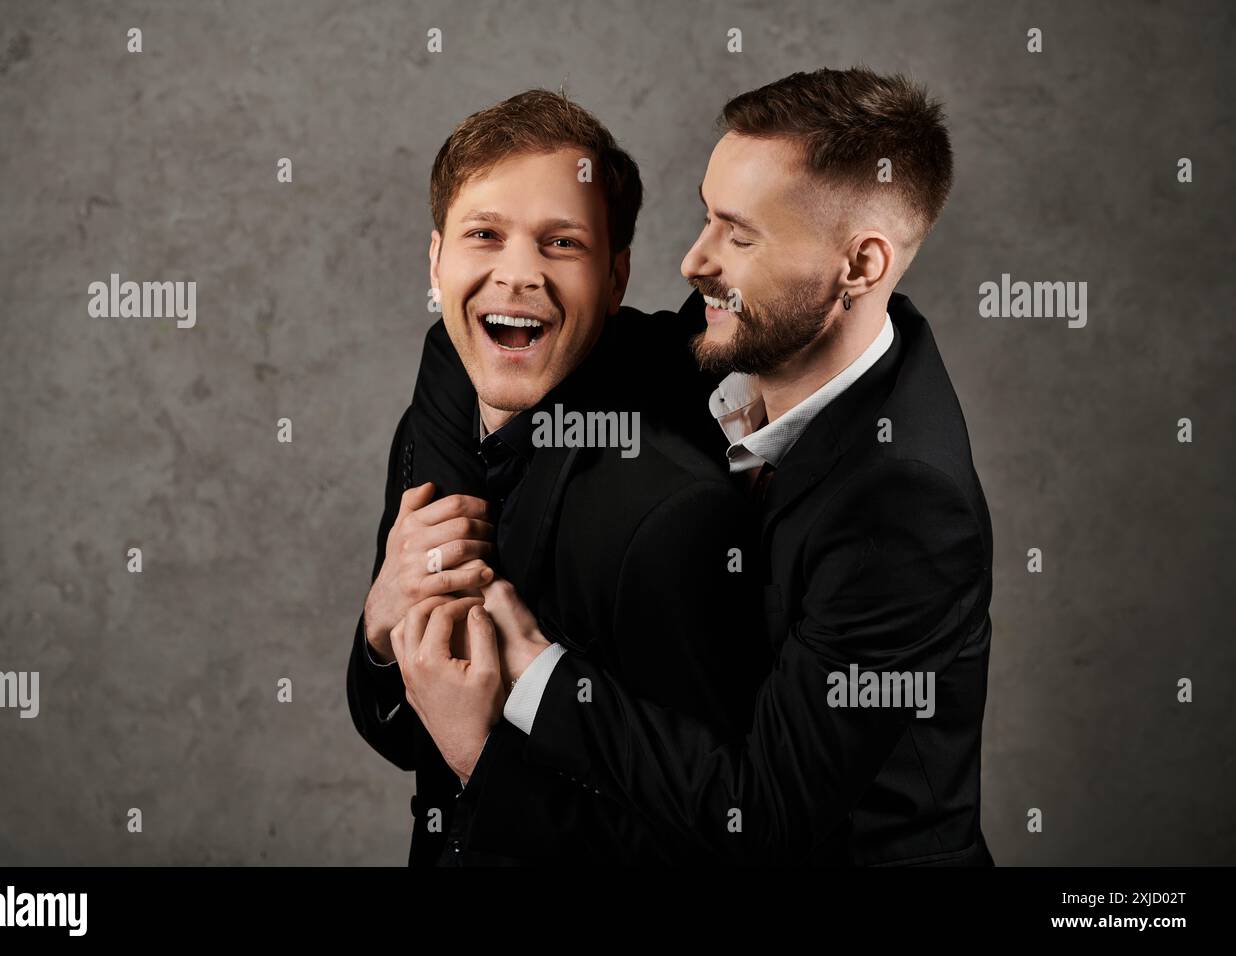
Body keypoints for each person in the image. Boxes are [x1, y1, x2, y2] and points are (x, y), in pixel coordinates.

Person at [396, 68, 996, 866]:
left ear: (860, 267)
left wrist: (533, 678)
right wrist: (436, 567)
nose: (692, 260)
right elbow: (465, 345)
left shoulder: (908, 507)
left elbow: (762, 810)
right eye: (707, 217)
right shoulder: (729, 337)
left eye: (739, 236)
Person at [347, 89, 769, 865]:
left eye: (561, 244)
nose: (517, 276)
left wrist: (481, 753)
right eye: (484, 236)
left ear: (616, 279)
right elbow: (409, 735)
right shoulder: (434, 419)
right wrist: (381, 631)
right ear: (435, 263)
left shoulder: (671, 515)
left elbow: (710, 842)